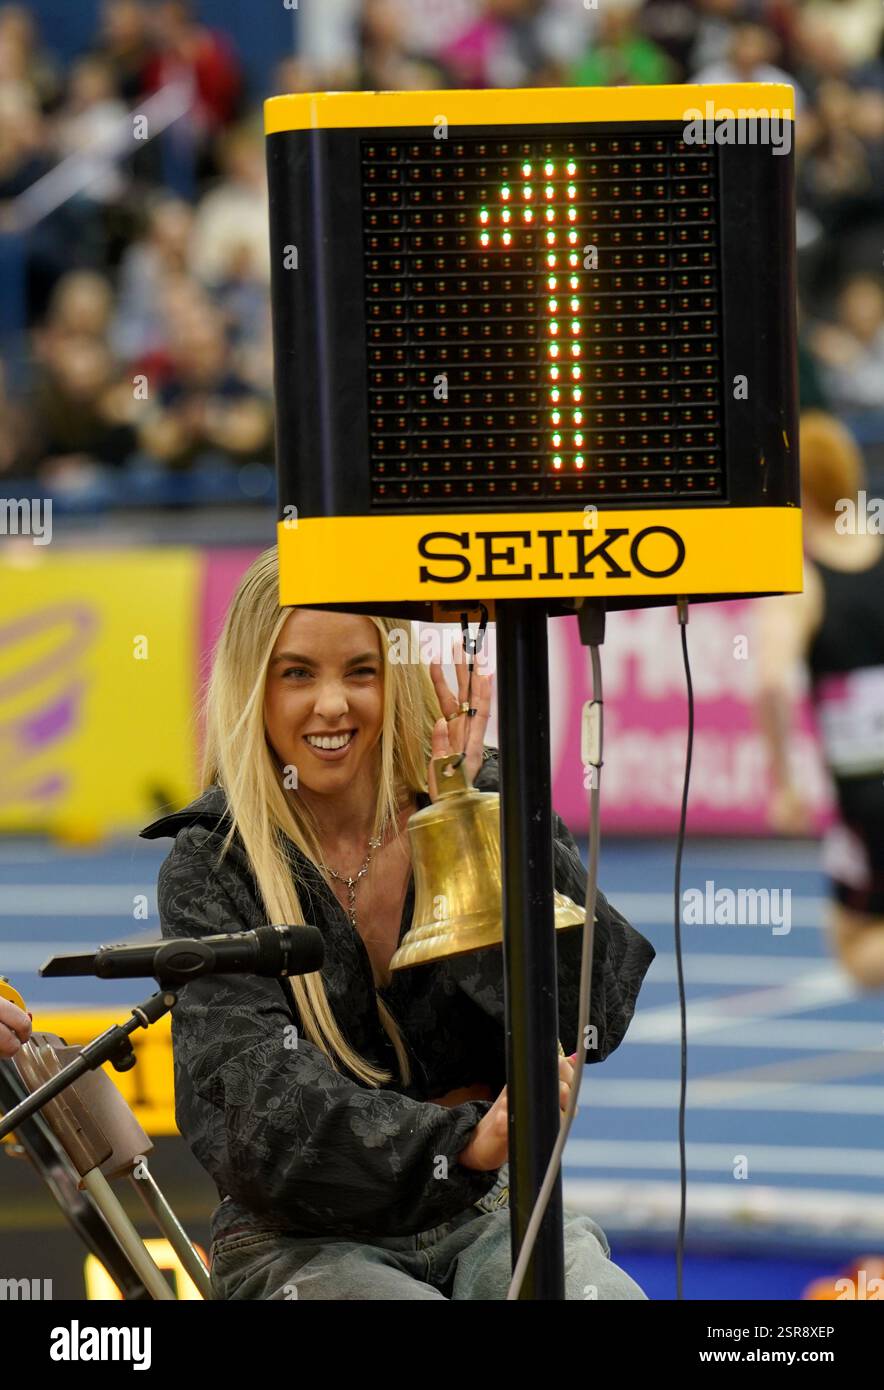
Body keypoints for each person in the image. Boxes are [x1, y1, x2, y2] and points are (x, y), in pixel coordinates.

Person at [140, 545, 656, 1300]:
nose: (332, 705)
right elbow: (257, 1118)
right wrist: (459, 1143)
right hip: (299, 1241)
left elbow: (594, 1010)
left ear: (396, 677)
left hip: (489, 1211)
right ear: (254, 688)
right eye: (297, 674)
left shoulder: (475, 795)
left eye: (360, 671)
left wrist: (475, 828)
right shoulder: (213, 865)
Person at [756, 411, 884, 988]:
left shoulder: (802, 582)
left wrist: (784, 783)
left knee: (855, 953)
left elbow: (771, 681)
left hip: (865, 789)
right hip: (864, 785)